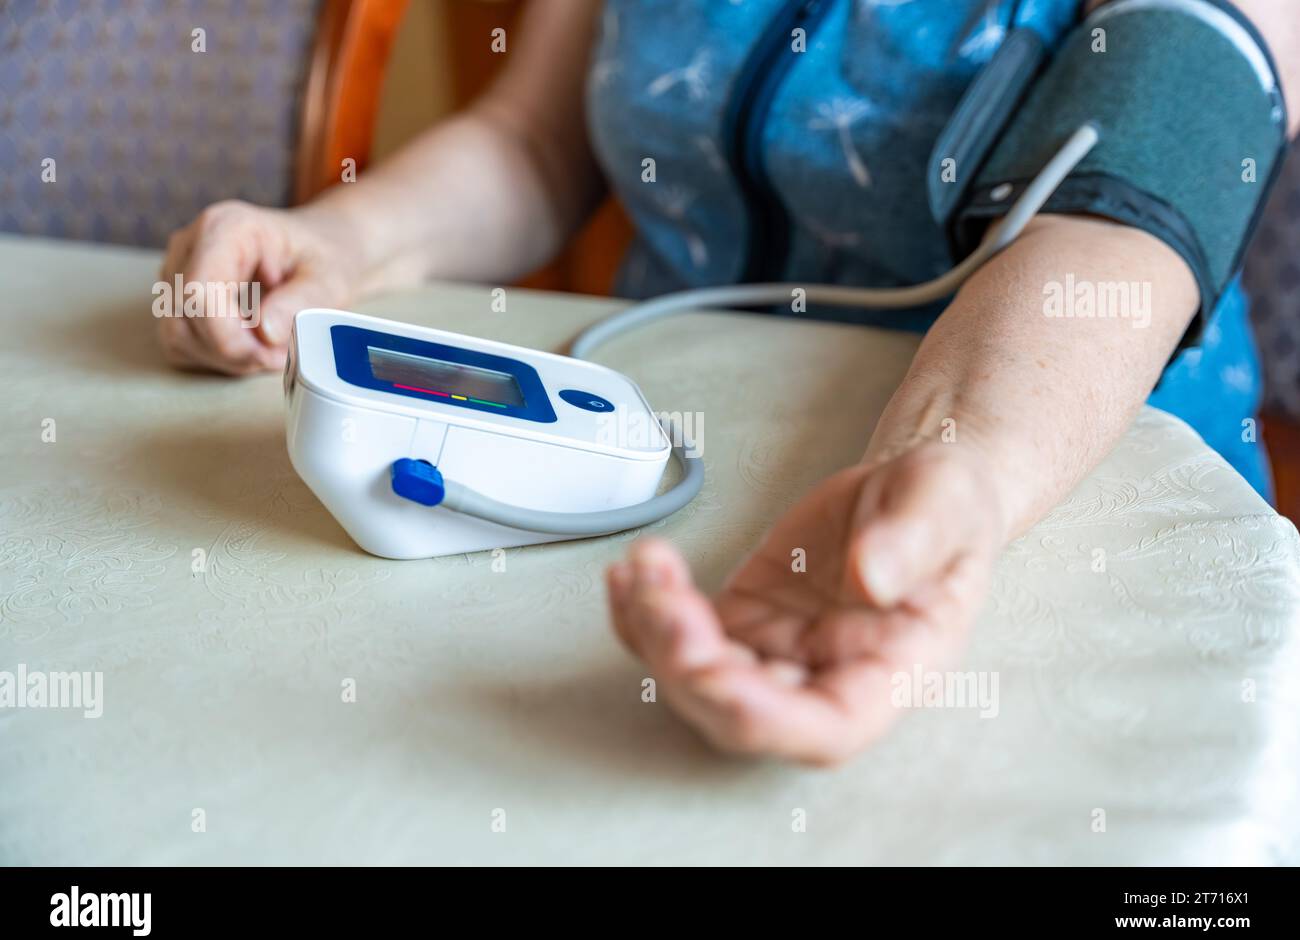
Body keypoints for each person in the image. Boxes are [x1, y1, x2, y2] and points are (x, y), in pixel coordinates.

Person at [158, 0, 1300, 765]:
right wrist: (344, 240)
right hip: (664, 464)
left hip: (1054, 488)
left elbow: (1120, 213)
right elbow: (536, 144)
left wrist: (950, 471)